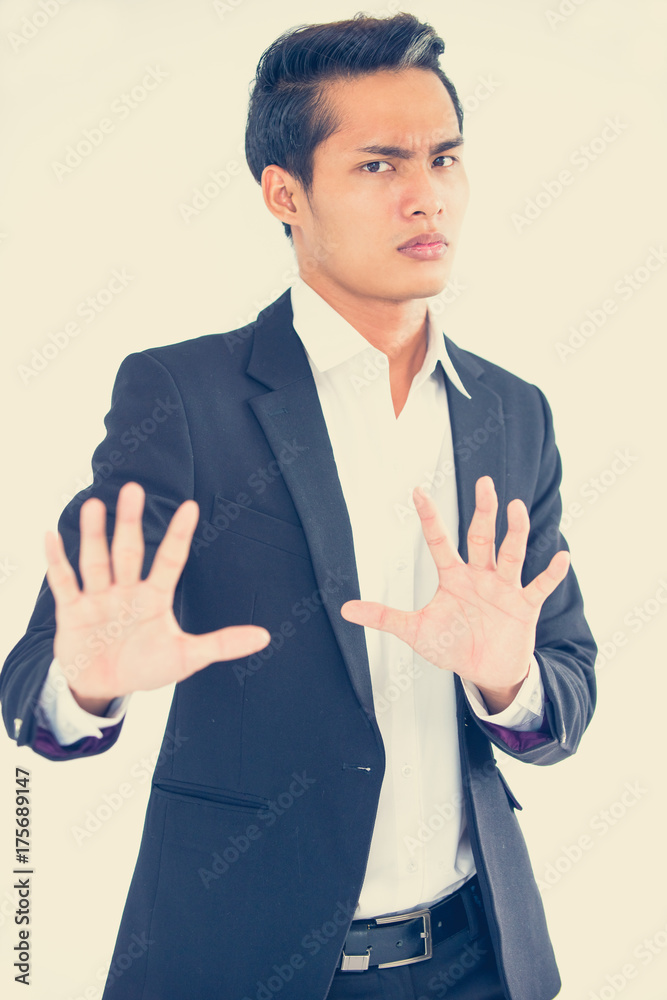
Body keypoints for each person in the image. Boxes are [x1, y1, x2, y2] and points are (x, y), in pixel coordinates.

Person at [0, 12, 596, 1000]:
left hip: (478, 962)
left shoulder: (510, 412)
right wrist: (86, 682)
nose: (425, 194)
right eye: (377, 165)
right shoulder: (183, 397)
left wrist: (509, 681)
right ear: (285, 192)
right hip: (245, 964)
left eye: (444, 157)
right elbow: (33, 694)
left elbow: (563, 694)